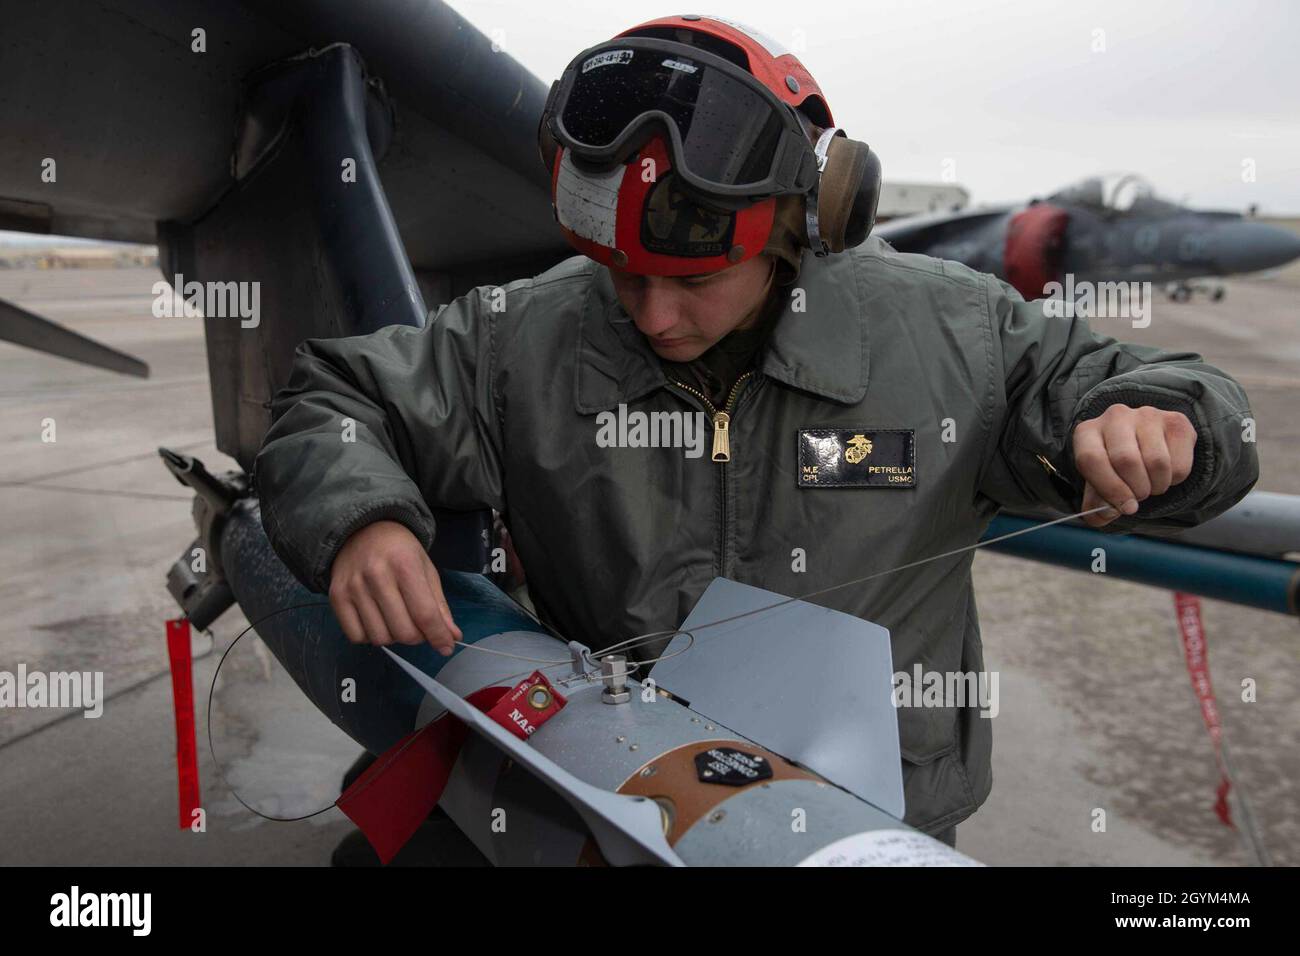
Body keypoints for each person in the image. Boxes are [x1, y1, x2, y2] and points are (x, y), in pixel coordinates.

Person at [255, 15, 1258, 845]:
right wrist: (362, 515)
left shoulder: (959, 336)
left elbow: (1177, 394)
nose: (649, 316)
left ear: (794, 226)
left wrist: (1159, 426)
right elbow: (334, 400)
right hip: (616, 802)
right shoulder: (528, 334)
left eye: (690, 281)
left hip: (862, 822)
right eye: (623, 275)